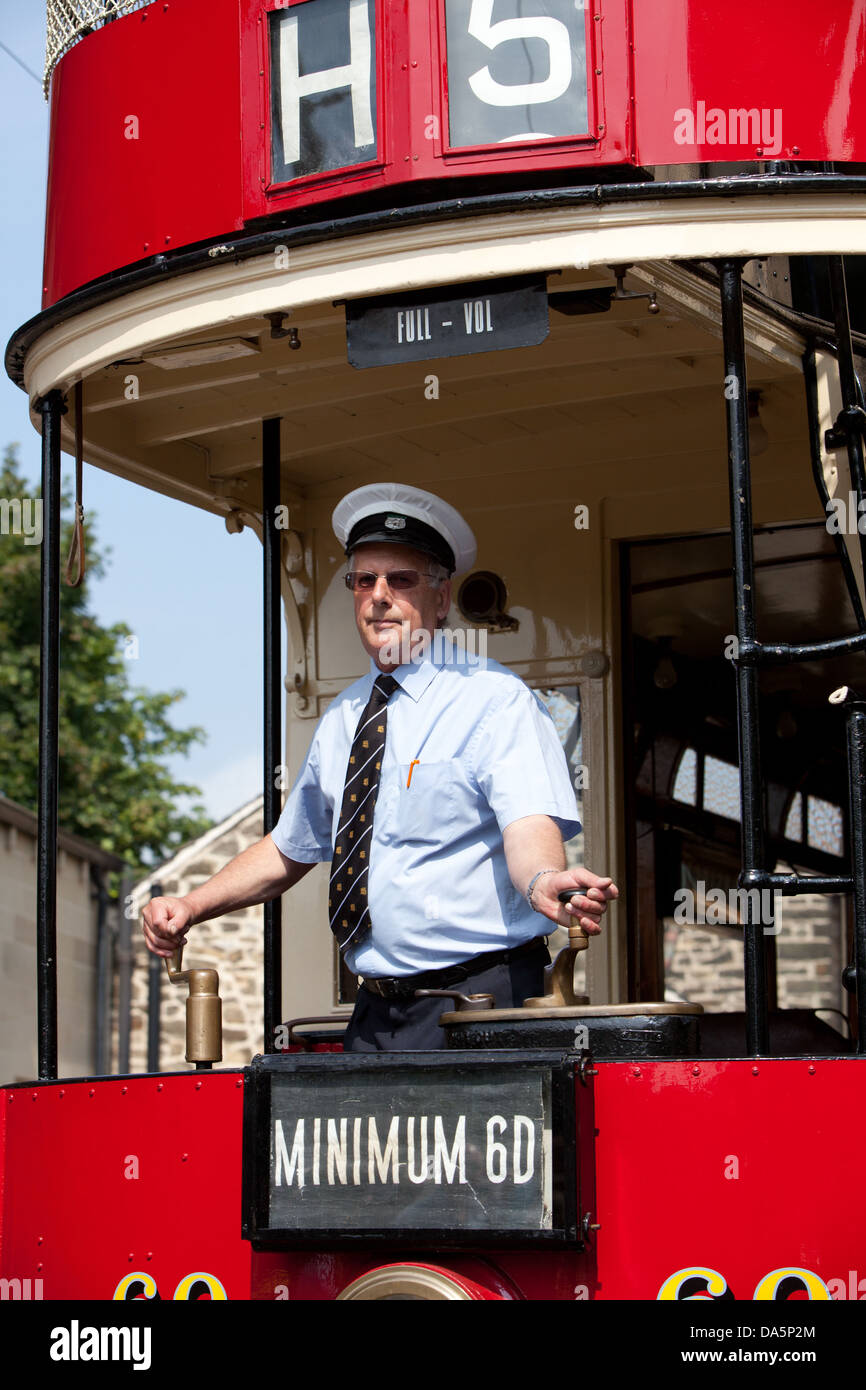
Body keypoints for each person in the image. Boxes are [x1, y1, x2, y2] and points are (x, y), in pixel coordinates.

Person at [142, 482, 618, 1049]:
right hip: (376, 1010)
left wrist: (545, 881)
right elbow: (289, 848)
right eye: (364, 581)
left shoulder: (494, 699)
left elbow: (527, 827)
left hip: (479, 1005)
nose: (379, 595)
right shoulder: (344, 717)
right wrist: (191, 905)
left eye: (401, 580)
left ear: (442, 600)